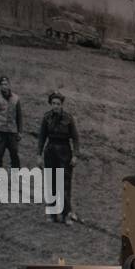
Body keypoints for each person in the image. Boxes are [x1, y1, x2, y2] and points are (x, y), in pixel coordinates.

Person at [37, 91, 79, 223]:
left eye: (58, 104)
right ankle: (53, 214)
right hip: (50, 152)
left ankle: (66, 214)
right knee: (51, 183)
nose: (55, 106)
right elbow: (42, 137)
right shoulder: (46, 118)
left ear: (62, 105)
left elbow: (75, 138)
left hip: (65, 153)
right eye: (53, 103)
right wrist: (39, 155)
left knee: (64, 184)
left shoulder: (68, 118)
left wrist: (75, 155)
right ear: (51, 104)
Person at [0, 75, 23, 168]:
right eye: (2, 84)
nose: (4, 86)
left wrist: (20, 131)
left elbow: (19, 116)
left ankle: (16, 175)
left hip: (12, 131)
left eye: (6, 84)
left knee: (14, 154)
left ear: (9, 85)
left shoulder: (16, 98)